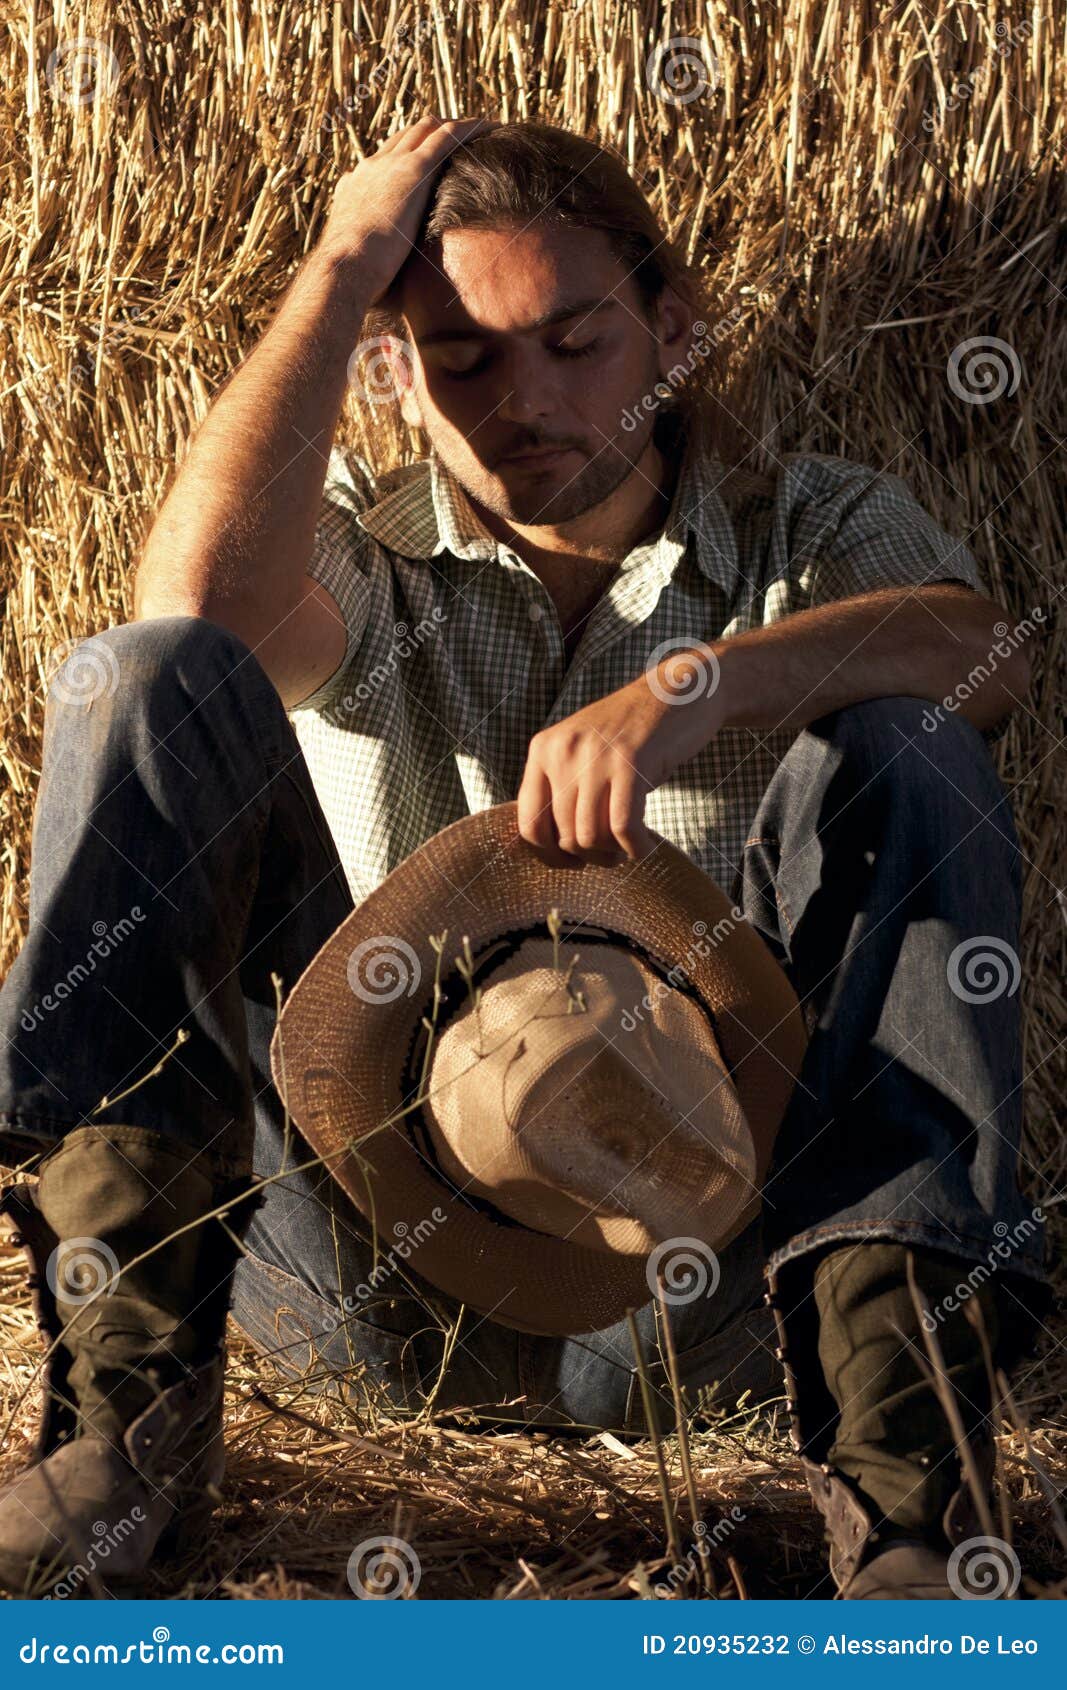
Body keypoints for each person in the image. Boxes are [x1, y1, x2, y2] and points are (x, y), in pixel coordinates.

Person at [0, 115, 1047, 1600]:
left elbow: (984, 650)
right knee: (143, 681)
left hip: (712, 1292)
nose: (527, 401)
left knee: (909, 743)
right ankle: (120, 1438)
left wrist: (705, 684)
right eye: (464, 358)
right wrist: (341, 265)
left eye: (576, 343)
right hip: (365, 1278)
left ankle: (908, 1493)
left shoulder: (807, 529)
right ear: (398, 368)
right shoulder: (360, 555)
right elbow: (191, 615)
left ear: (670, 328)